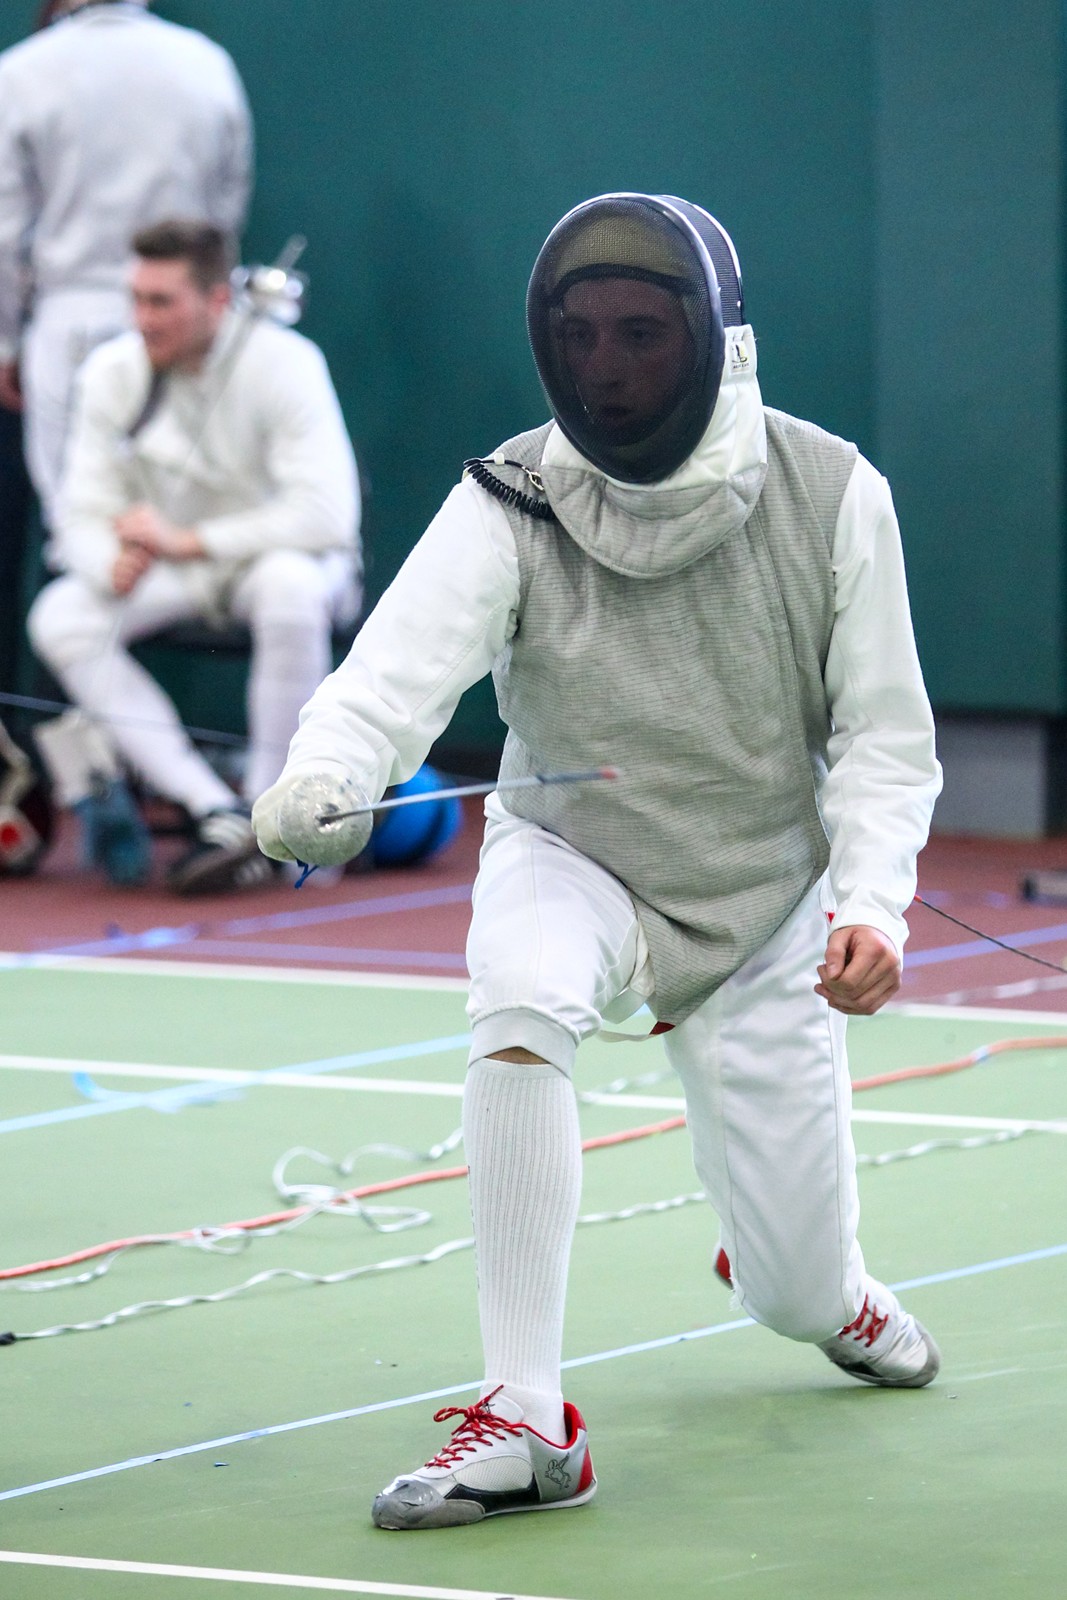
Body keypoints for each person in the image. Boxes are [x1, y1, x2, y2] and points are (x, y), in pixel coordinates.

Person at [251, 192, 943, 1528]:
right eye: (582, 337)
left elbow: (880, 735)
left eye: (639, 332)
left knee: (795, 1294)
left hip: (764, 897)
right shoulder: (517, 493)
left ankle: (815, 1283)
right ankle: (524, 1416)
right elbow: (392, 674)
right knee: (516, 993)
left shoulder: (830, 494)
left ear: (713, 340)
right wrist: (323, 780)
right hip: (572, 854)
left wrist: (873, 906)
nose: (609, 365)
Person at [28, 218, 361, 894]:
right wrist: (104, 563)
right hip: (175, 571)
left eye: (162, 302)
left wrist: (194, 540)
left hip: (278, 561)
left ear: (215, 302)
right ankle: (216, 808)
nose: (142, 318)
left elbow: (327, 516)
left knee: (289, 586)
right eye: (137, 299)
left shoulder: (288, 364)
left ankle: (278, 815)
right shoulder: (112, 372)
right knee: (61, 615)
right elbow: (80, 511)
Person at [0, 0, 252, 533]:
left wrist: (5, 342)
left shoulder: (23, 71)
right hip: (186, 318)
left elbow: (6, 228)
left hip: (71, 315)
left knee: (78, 529)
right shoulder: (204, 63)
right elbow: (227, 207)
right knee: (165, 514)